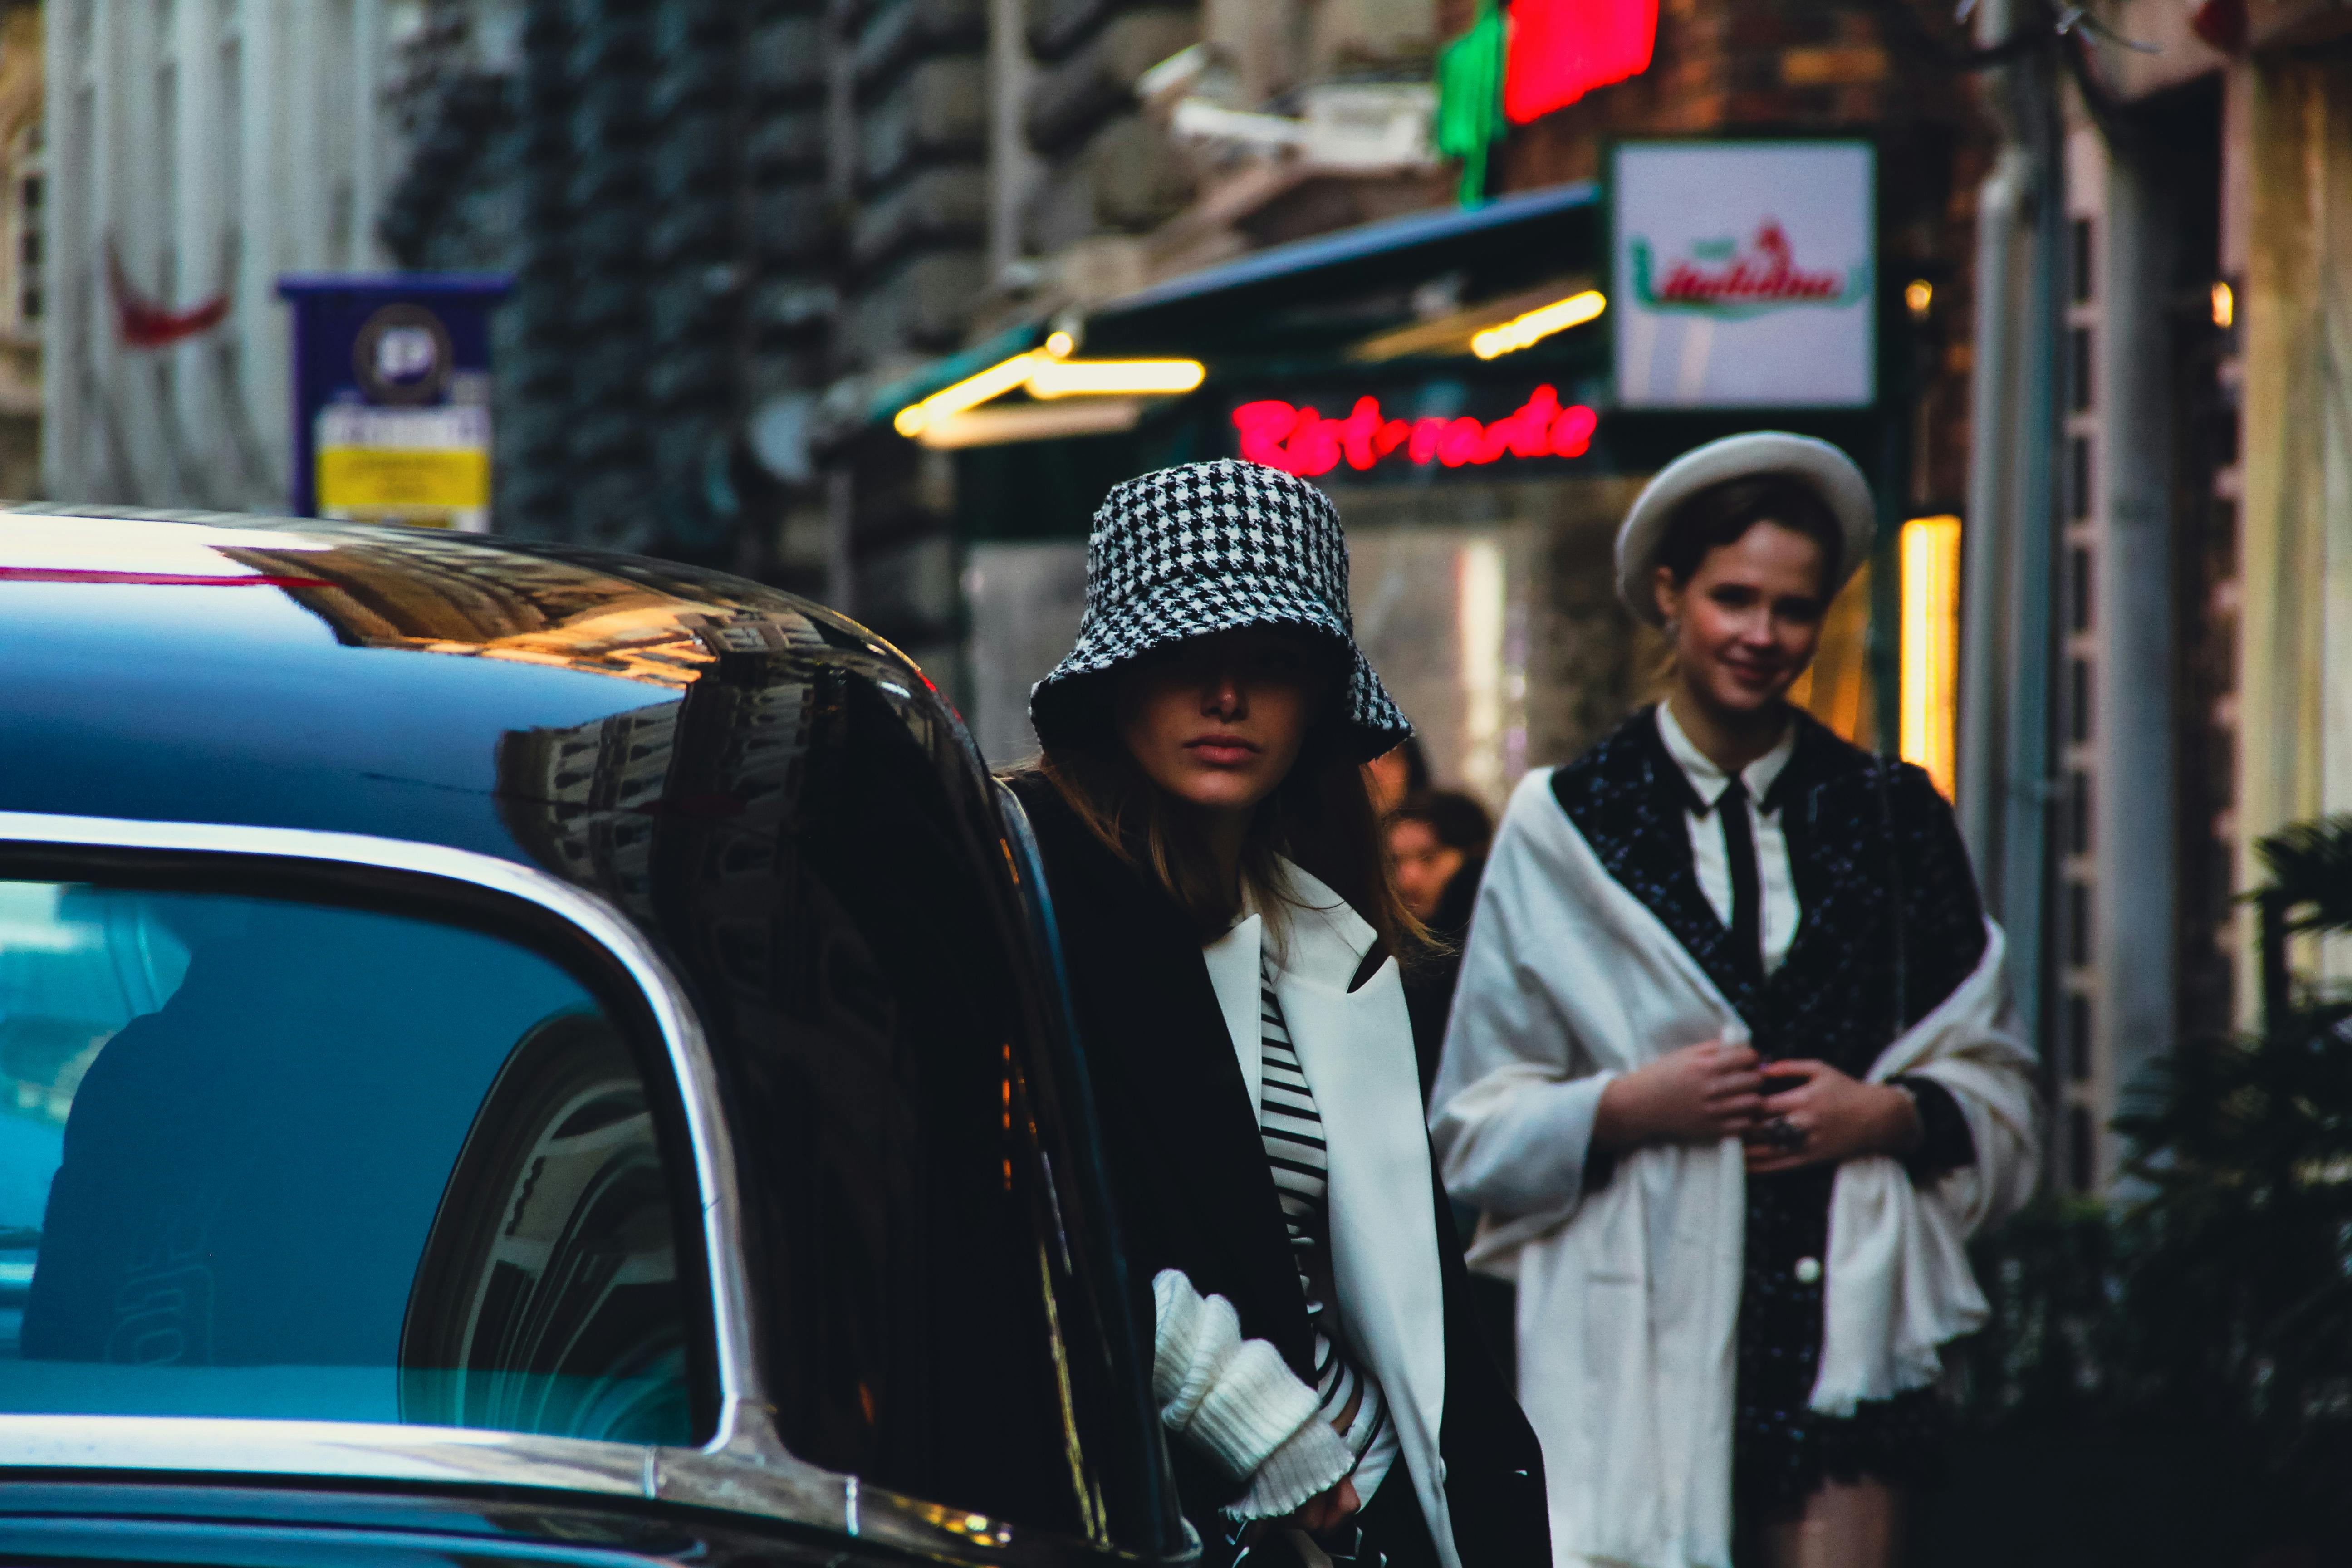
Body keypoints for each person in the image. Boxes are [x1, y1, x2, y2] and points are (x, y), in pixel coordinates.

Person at [1427, 433, 2039, 1568]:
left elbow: (1999, 1086)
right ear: (1669, 593)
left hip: (1847, 1343)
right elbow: (1470, 1129)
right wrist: (1621, 1106)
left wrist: (1888, 1115)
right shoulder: (1564, 824)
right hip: (1635, 1344)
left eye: (1793, 608)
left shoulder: (1893, 818)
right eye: (1733, 598)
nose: (1762, 635)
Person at [1007, 459, 1548, 1568]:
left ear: (1316, 695)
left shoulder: (1324, 930)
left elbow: (1402, 1299)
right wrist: (1251, 1415)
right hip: (1166, 1504)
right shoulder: (1023, 886)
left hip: (1381, 1505)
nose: (1226, 696)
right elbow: (1005, 1212)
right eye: (1185, 654)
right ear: (1119, 676)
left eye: (1270, 661)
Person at [1387, 790, 1494, 1099]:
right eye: (1396, 861)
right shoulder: (1386, 954)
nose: (1408, 878)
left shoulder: (1490, 953)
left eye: (1428, 858)